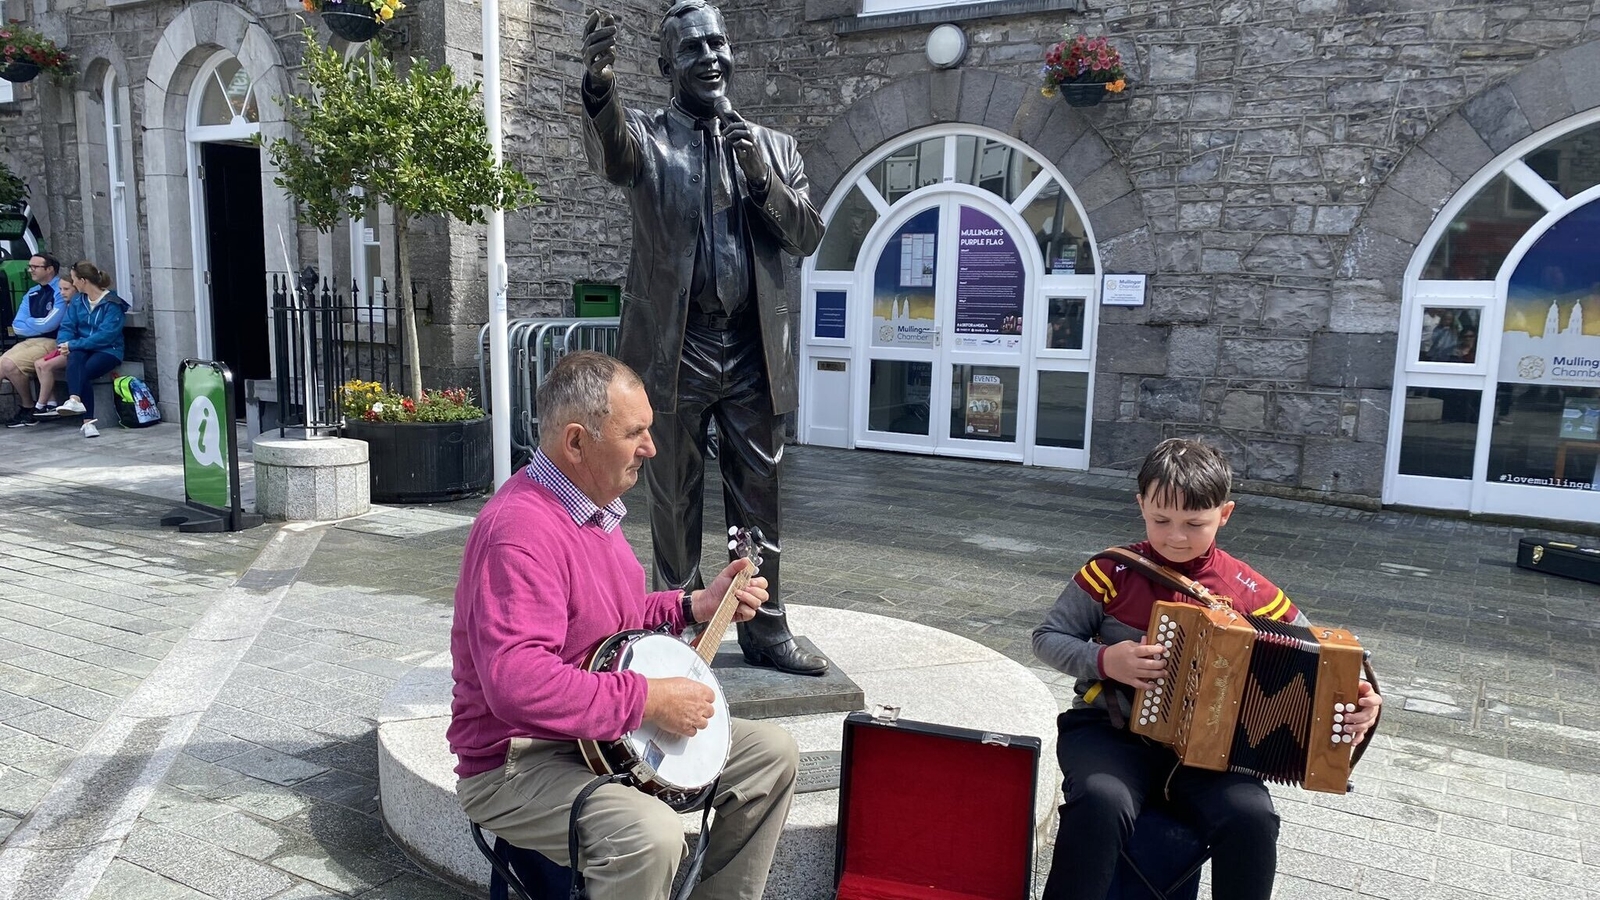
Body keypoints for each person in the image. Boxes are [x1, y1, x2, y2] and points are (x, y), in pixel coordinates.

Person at [451, 351, 799, 900]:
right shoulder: (518, 533)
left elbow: (615, 623)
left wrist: (696, 606)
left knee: (770, 756)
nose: (651, 448)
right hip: (519, 761)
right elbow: (517, 683)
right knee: (648, 835)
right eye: (635, 432)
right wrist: (648, 700)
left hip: (600, 737)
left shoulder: (592, 509)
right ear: (576, 442)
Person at [580, 0, 828, 675]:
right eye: (692, 48)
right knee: (673, 496)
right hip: (674, 350)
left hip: (751, 350)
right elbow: (612, 152)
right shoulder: (647, 138)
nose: (710, 57)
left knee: (758, 496)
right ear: (667, 66)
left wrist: (761, 178)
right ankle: (679, 628)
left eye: (717, 43)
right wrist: (599, 88)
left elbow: (807, 235)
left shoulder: (774, 147)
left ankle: (765, 628)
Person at [1033, 438, 1382, 900]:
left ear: (1225, 514)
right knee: (1102, 800)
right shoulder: (1109, 572)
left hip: (1215, 754)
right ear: (1141, 505)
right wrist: (1105, 660)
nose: (1176, 536)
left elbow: (1325, 665)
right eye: (1161, 520)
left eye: (1194, 523)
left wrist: (1359, 703)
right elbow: (1048, 638)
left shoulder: (1251, 591)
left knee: (1252, 817)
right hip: (1109, 732)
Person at [35, 262, 126, 439]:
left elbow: (105, 336)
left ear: (83, 281)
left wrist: (73, 345)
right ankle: (78, 406)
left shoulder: (113, 303)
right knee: (75, 358)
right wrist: (64, 343)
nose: (73, 282)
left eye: (74, 279)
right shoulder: (78, 301)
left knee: (82, 371)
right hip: (81, 348)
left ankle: (84, 416)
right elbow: (67, 326)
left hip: (108, 350)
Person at [0, 253, 64, 427]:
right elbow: (17, 325)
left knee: (9, 364)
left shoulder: (61, 289)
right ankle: (28, 407)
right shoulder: (32, 292)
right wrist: (36, 323)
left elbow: (51, 324)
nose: (30, 270)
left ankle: (29, 407)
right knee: (1, 364)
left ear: (49, 269)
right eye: (30, 267)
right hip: (31, 341)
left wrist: (29, 321)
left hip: (53, 340)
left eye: (35, 267)